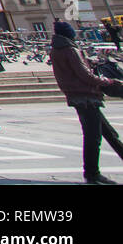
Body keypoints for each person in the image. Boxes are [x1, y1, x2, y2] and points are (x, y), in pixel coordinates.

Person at [50, 20, 123, 183]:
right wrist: (108, 82)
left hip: (79, 96)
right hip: (86, 97)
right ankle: (91, 173)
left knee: (109, 134)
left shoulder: (56, 50)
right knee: (93, 137)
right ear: (69, 33)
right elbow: (85, 75)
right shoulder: (69, 49)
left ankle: (92, 172)